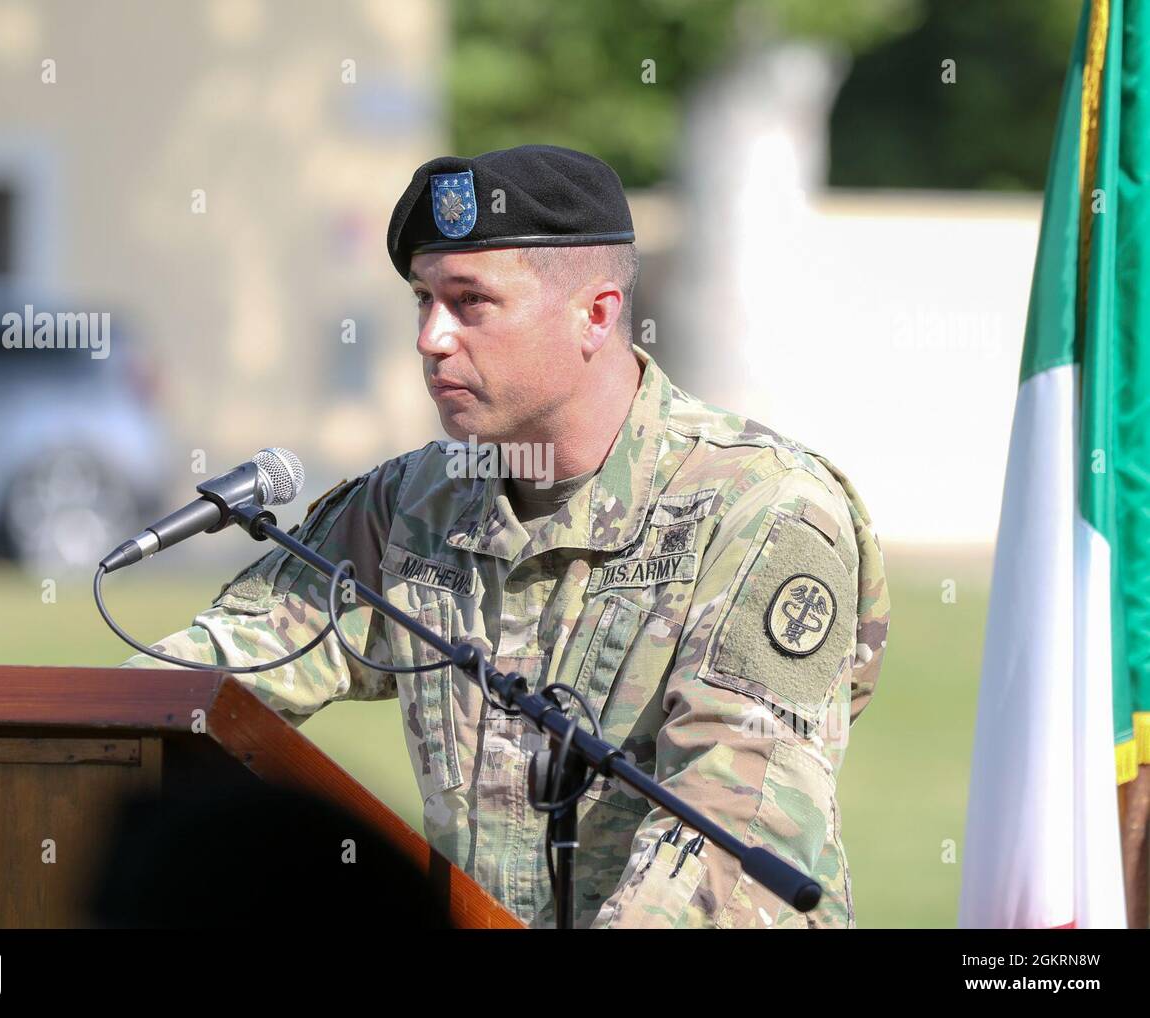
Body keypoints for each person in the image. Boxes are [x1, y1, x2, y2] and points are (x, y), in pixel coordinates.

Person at [123, 144, 890, 929]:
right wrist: (76, 734)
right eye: (422, 299)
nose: (430, 338)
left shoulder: (761, 511)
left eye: (469, 302)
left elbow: (733, 825)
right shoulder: (415, 503)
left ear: (593, 314)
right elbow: (212, 678)